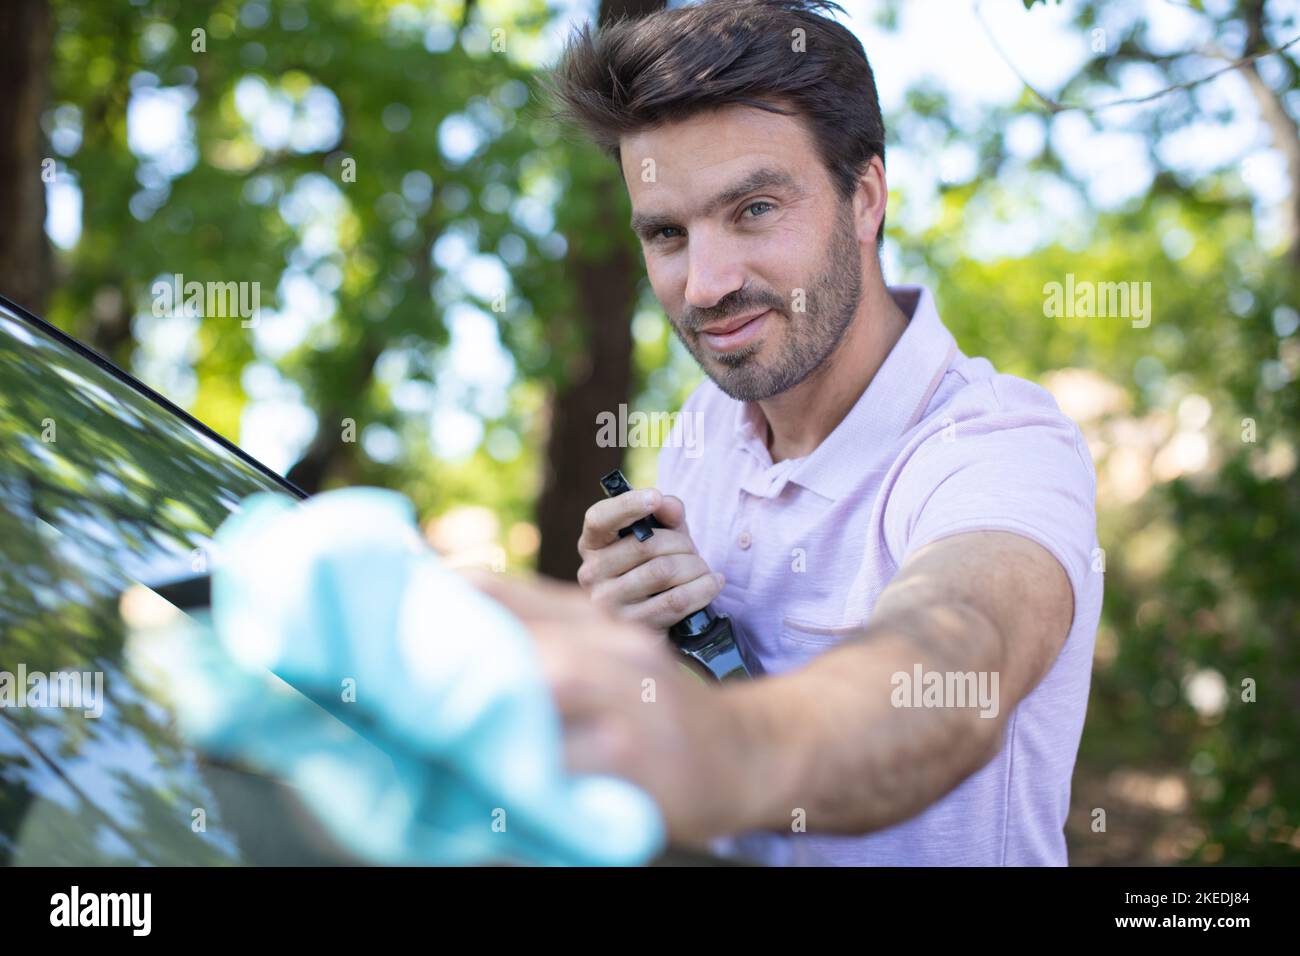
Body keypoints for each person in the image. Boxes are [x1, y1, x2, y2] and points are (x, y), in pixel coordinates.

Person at [491, 0, 1103, 865]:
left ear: (866, 197)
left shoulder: (1000, 445)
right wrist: (635, 643)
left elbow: (957, 656)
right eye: (668, 233)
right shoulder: (701, 431)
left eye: (753, 210)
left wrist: (712, 745)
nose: (705, 285)